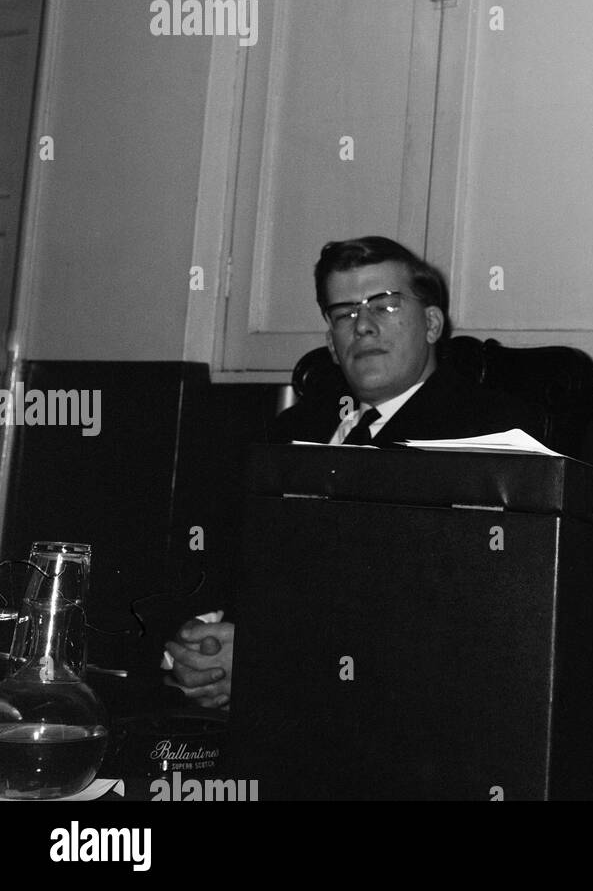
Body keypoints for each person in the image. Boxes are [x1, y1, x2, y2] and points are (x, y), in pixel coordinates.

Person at [165, 236, 540, 707]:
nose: (361, 326)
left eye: (383, 306)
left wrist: (273, 659)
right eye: (343, 313)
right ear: (330, 340)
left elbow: (462, 617)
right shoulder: (287, 433)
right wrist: (198, 647)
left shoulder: (489, 435)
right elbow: (226, 566)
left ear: (430, 322)